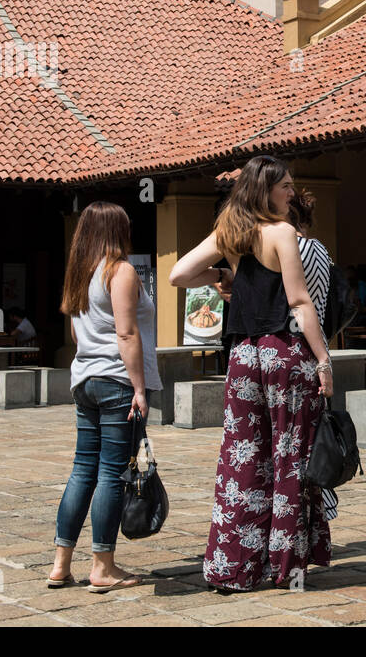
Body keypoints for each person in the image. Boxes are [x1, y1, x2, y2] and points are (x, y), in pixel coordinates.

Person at [170, 155, 333, 592]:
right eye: (285, 187)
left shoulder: (230, 231)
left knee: (241, 459)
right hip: (282, 354)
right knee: (289, 456)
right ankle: (284, 568)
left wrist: (223, 271)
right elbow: (299, 302)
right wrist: (323, 359)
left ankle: (233, 568)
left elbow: (178, 274)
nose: (291, 193)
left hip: (243, 355)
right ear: (265, 190)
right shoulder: (283, 233)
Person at [49, 201, 160, 593]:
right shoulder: (121, 271)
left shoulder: (81, 272)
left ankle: (61, 564)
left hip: (84, 380)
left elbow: (79, 336)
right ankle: (102, 566)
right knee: (112, 473)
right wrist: (140, 388)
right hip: (116, 382)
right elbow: (127, 333)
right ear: (119, 230)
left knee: (83, 470)